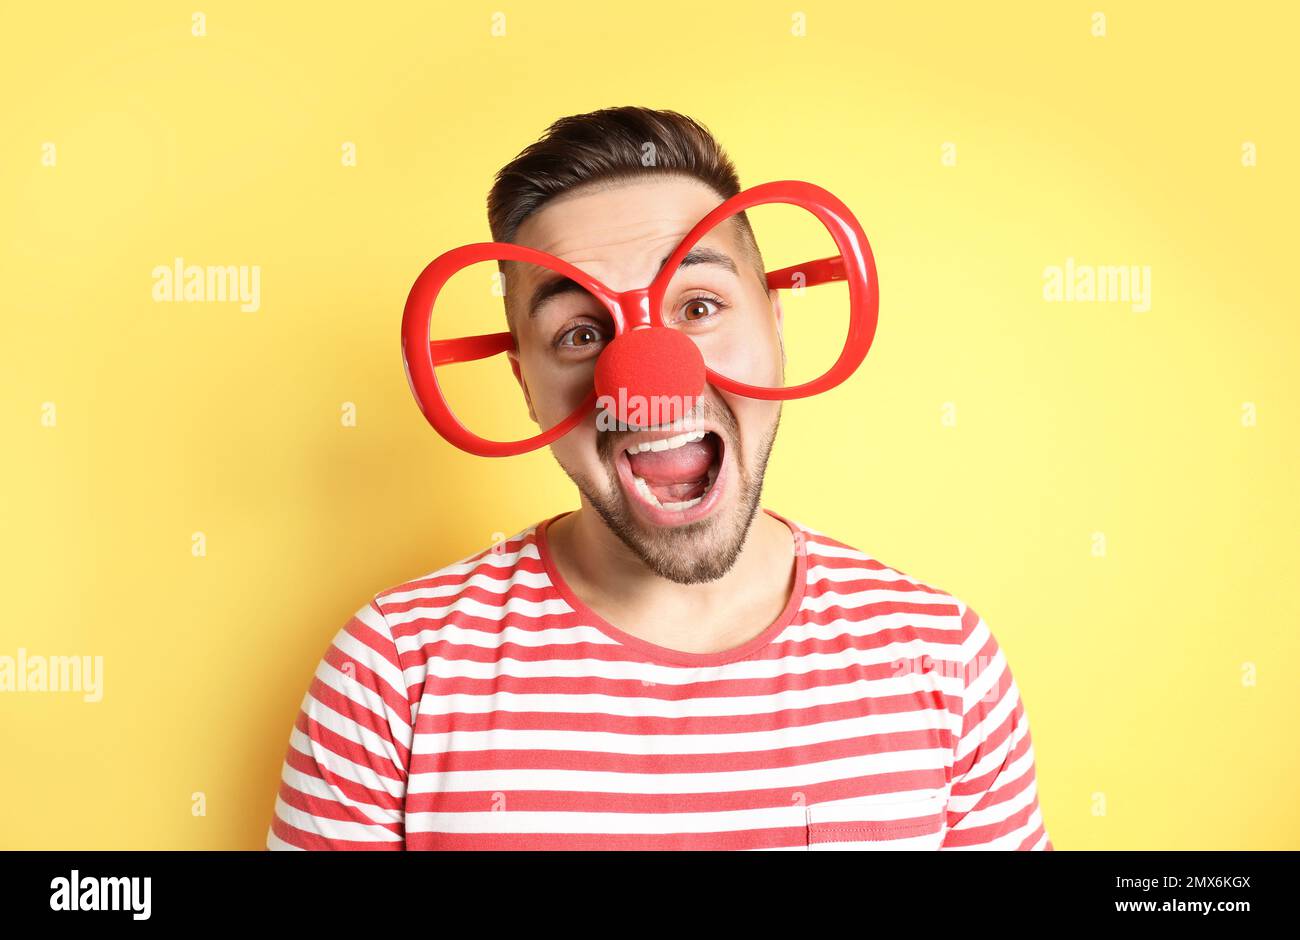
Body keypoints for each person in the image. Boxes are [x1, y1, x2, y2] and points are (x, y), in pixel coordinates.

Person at [266, 106, 1052, 850]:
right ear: (524, 383)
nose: (645, 380)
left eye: (700, 305)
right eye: (579, 332)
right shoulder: (394, 673)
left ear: (777, 323)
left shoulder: (942, 660)